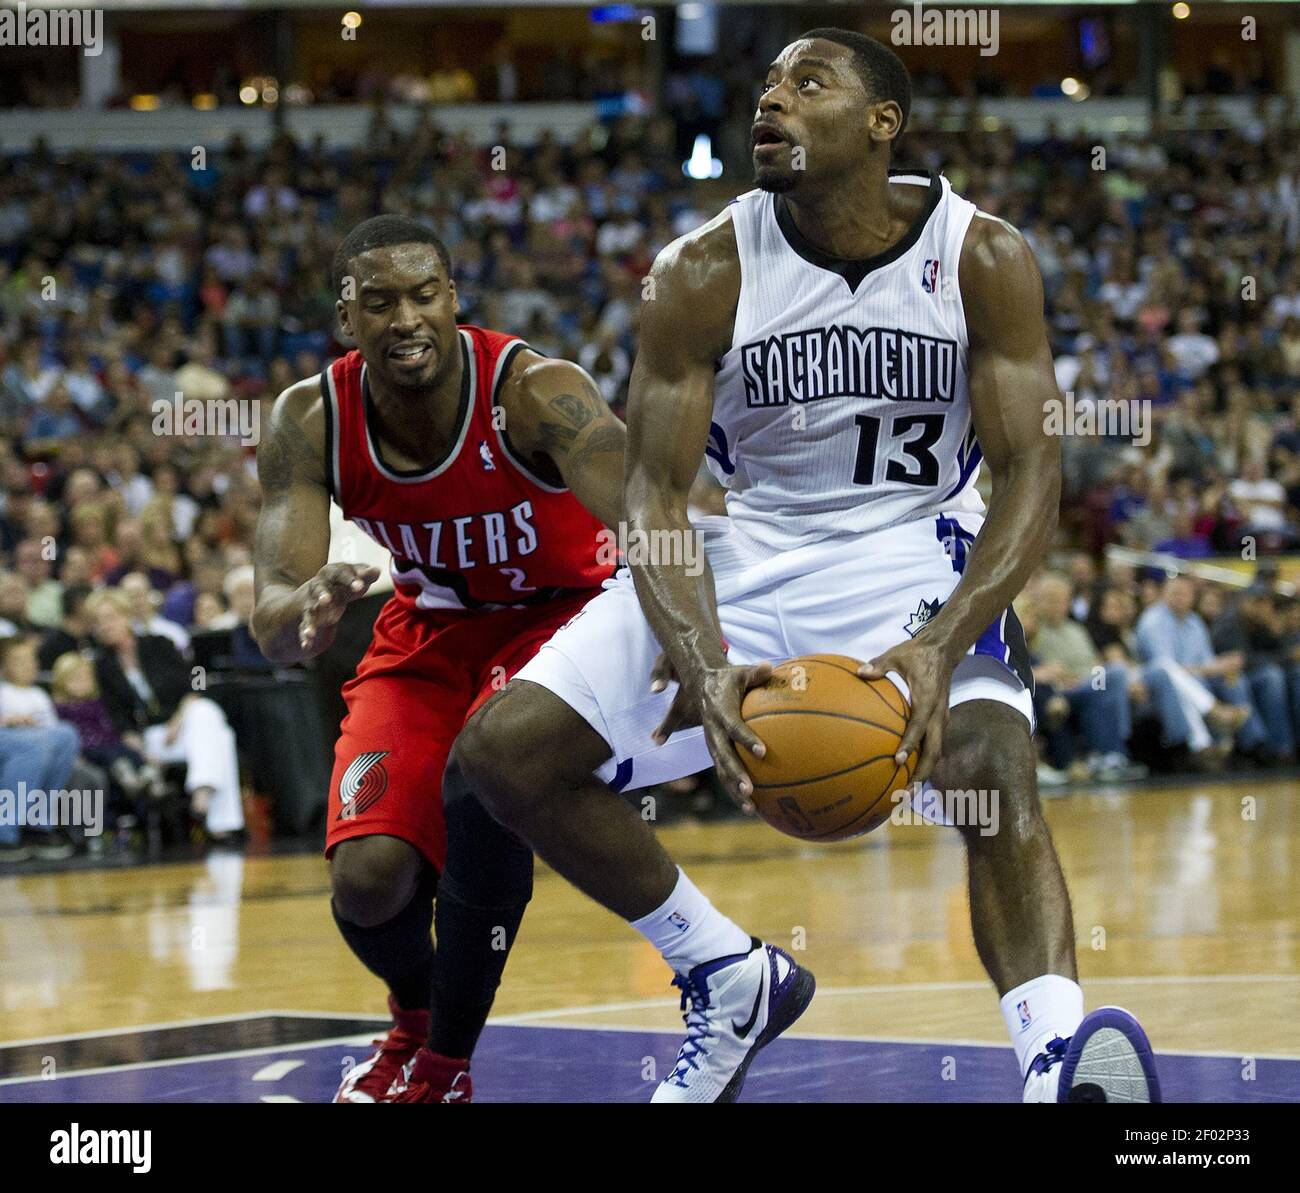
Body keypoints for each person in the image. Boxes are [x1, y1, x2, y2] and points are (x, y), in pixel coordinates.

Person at [447, 29, 1160, 1103]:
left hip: (911, 544)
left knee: (989, 765)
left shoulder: (981, 257)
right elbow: (651, 494)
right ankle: (725, 972)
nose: (770, 99)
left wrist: (936, 642)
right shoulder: (701, 270)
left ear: (883, 123)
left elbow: (1028, 476)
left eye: (806, 83)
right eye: (767, 83)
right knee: (504, 756)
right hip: (747, 546)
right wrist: (699, 654)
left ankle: (1056, 1061)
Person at [250, 215, 626, 1103]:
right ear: (348, 320)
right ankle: (417, 1026)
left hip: (561, 617)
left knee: (486, 780)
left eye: (424, 294)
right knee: (368, 880)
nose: (405, 317)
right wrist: (303, 606)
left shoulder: (536, 390)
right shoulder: (311, 418)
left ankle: (444, 1070)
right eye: (377, 302)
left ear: (455, 300)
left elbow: (650, 513)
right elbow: (268, 616)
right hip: (431, 627)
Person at [85, 588, 245, 841]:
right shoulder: (101, 666)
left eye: (110, 617)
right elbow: (118, 720)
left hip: (182, 724)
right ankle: (216, 820)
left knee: (206, 713)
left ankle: (203, 796)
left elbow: (193, 688)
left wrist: (177, 722)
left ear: (126, 616)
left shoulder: (159, 643)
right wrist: (140, 752)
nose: (105, 626)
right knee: (221, 736)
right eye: (98, 621)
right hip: (147, 740)